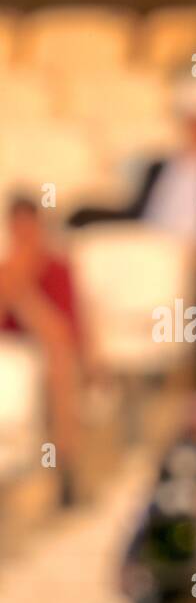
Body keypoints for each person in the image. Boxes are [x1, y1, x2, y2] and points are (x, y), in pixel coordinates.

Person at [0, 196, 88, 506]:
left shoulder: (58, 268)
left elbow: (64, 331)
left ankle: (64, 463)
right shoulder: (6, 271)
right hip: (15, 356)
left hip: (54, 355)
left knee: (59, 362)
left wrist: (23, 294)